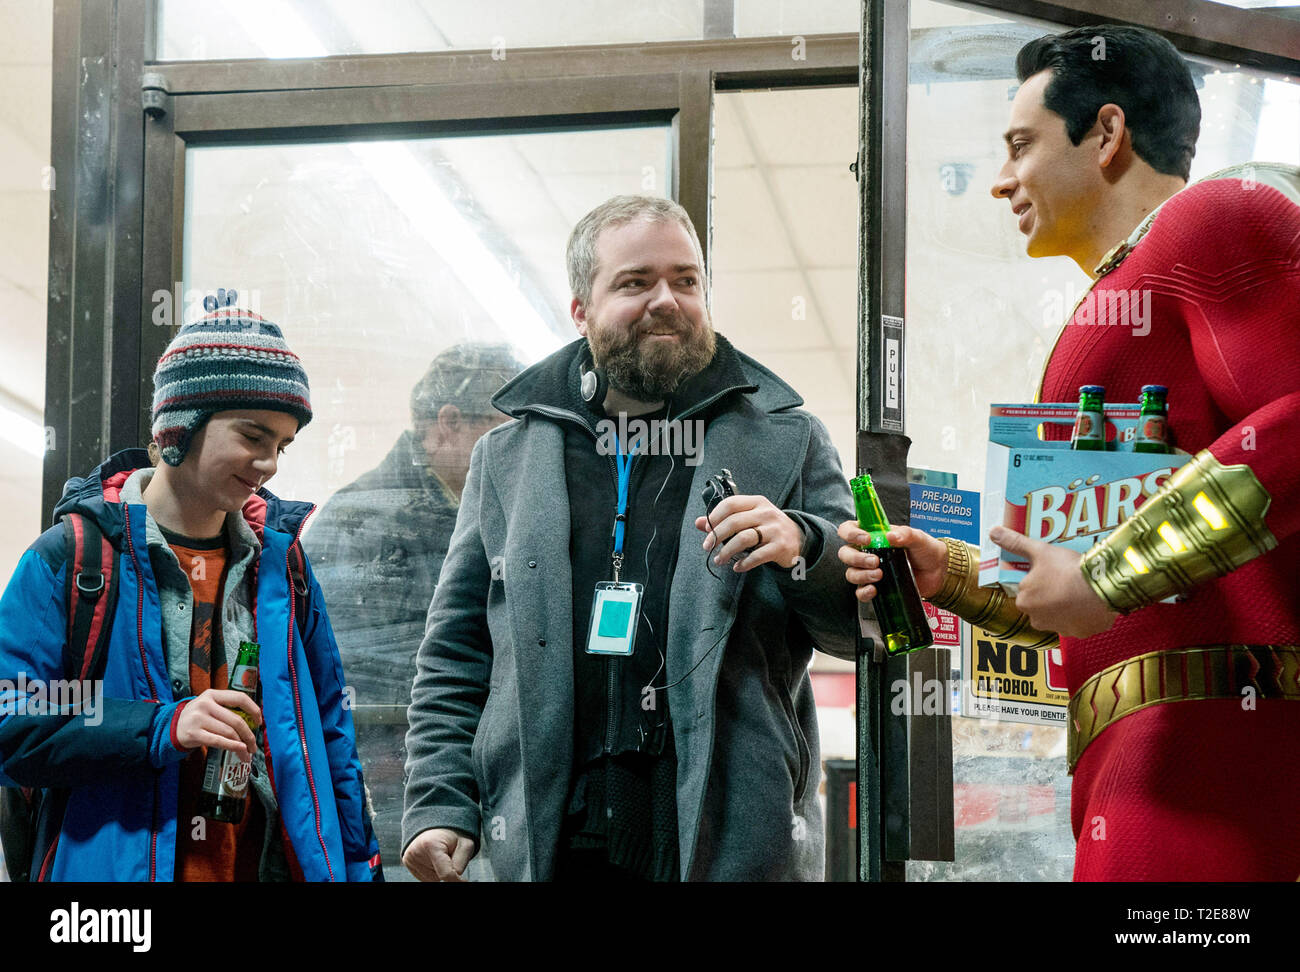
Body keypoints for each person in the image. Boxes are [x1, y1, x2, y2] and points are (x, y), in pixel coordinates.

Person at [838, 24, 1300, 880]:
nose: (1001, 181)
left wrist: (1106, 575)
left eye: (1020, 145)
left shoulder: (1216, 217)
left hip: (1218, 771)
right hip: (1155, 770)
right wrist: (956, 576)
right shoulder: (1125, 297)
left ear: (1108, 133)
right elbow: (1084, 588)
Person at [401, 195, 858, 881]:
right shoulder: (509, 458)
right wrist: (439, 803)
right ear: (581, 309)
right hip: (551, 838)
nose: (666, 300)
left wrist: (804, 544)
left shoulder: (786, 440)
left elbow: (861, 626)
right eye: (635, 282)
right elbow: (456, 653)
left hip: (725, 839)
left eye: (686, 279)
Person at [0, 297, 381, 881]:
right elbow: (12, 716)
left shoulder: (284, 568)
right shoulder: (76, 558)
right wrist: (159, 726)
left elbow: (331, 734)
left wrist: (362, 866)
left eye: (282, 444)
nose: (270, 462)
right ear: (178, 427)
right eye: (253, 435)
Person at [304, 342, 522, 878]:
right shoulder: (372, 522)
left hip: (450, 802)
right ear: (448, 423)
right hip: (399, 811)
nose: (519, 449)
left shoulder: (471, 513)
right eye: (503, 428)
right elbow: (382, 683)